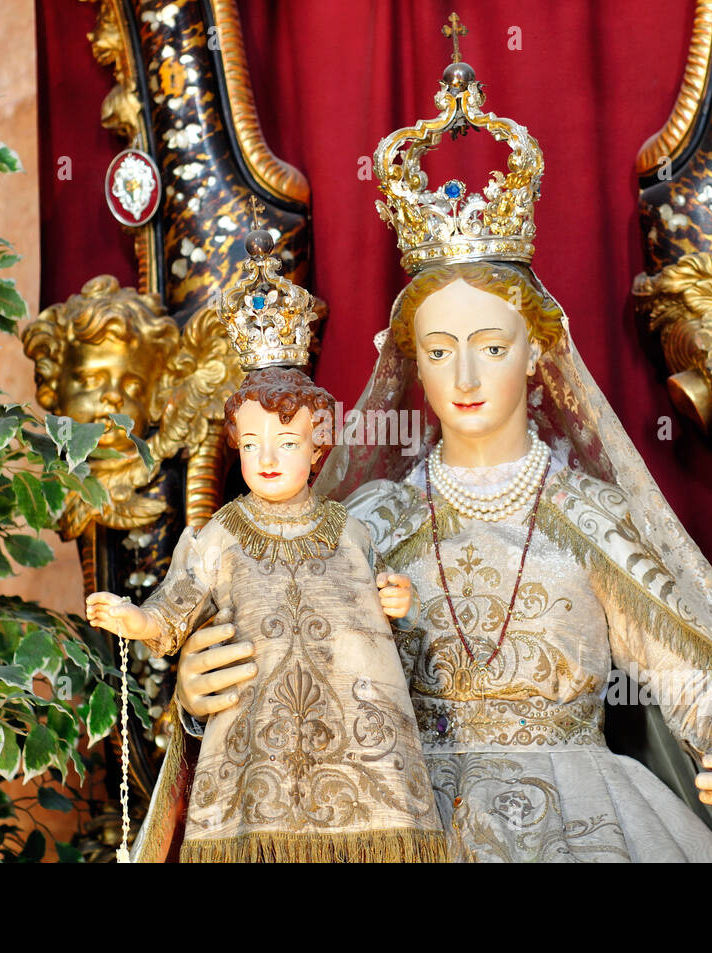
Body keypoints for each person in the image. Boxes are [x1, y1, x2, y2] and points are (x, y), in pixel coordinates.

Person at [165, 40, 712, 862]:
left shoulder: (588, 514)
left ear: (536, 350)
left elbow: (699, 682)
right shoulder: (358, 526)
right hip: (398, 820)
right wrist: (193, 701)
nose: (462, 375)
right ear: (407, 358)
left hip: (589, 827)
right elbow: (271, 684)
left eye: (491, 347)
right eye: (438, 350)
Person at [86, 231, 446, 863]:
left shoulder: (354, 530)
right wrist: (138, 619)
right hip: (256, 742)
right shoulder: (220, 532)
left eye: (285, 441)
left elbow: (398, 617)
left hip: (363, 743)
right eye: (250, 444)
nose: (267, 458)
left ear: (318, 443)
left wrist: (398, 597)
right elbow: (181, 603)